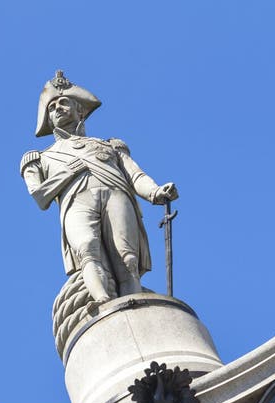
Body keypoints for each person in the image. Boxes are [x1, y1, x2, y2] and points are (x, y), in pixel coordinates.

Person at [20, 71, 178, 303]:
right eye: (52, 107)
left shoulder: (110, 146)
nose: (58, 109)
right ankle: (104, 304)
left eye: (64, 102)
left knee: (128, 259)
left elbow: (135, 176)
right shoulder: (40, 158)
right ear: (49, 118)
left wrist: (155, 192)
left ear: (80, 110)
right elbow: (39, 196)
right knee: (87, 249)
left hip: (116, 194)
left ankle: (131, 306)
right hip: (76, 201)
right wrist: (70, 172)